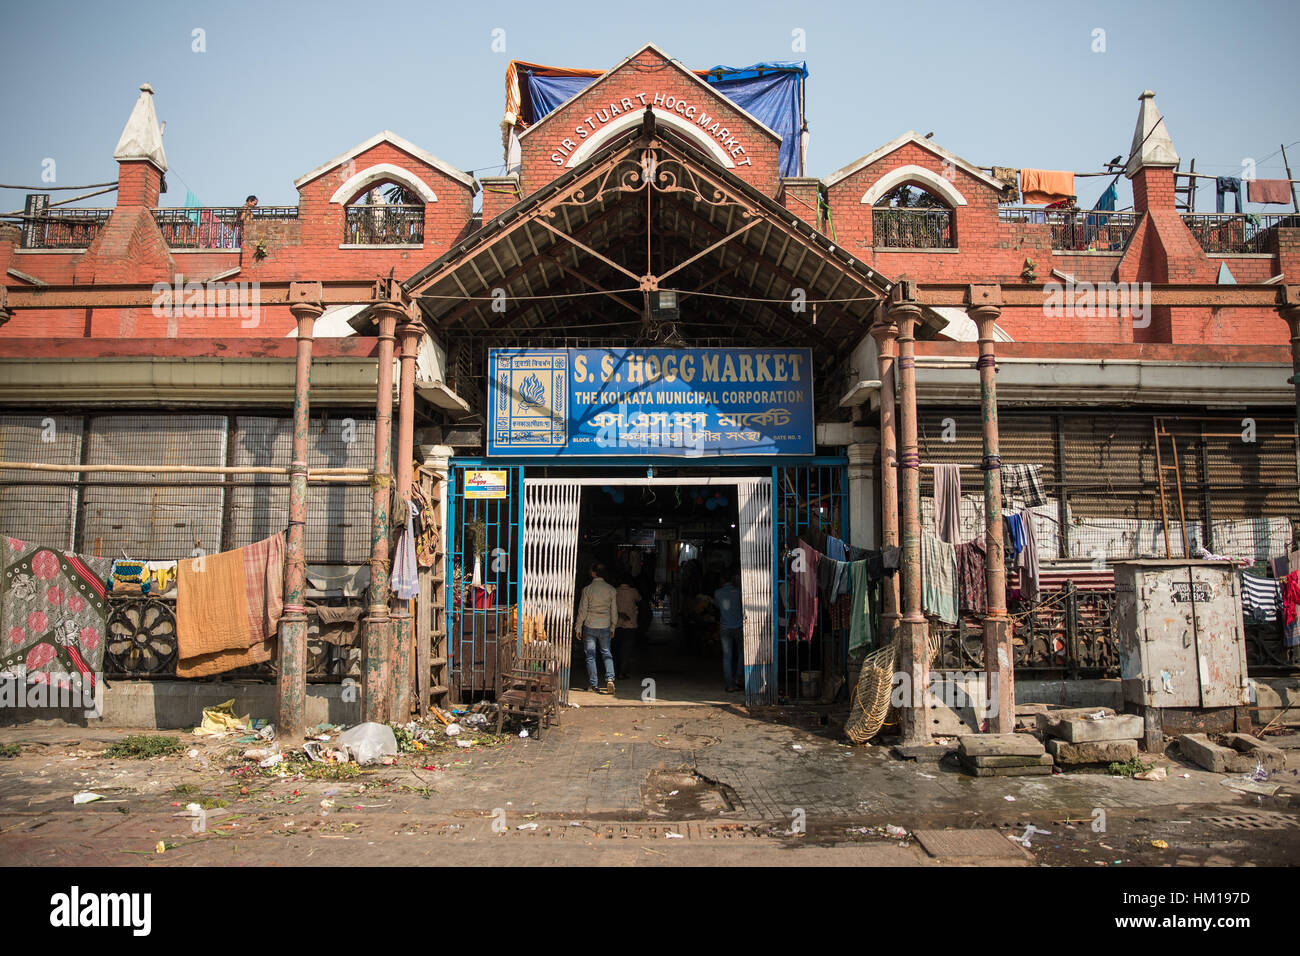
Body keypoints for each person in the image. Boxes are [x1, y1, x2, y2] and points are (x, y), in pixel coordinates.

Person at [574, 562, 618, 694]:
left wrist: (578, 627)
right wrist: (613, 627)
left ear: (593, 573)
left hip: (590, 625)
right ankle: (610, 678)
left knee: (590, 656)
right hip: (605, 625)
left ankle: (594, 685)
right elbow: (614, 611)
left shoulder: (587, 590)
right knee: (606, 653)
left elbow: (582, 610)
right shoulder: (611, 590)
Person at [714, 572, 744, 692]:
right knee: (742, 653)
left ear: (722, 580)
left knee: (727, 656)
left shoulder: (717, 593)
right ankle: (738, 677)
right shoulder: (739, 592)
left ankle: (730, 685)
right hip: (739, 626)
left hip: (725, 627)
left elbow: (717, 606)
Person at [614, 575, 641, 680]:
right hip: (630, 624)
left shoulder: (615, 591)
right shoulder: (633, 591)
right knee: (626, 649)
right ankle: (622, 672)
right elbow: (639, 599)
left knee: (617, 648)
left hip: (617, 624)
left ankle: (617, 671)